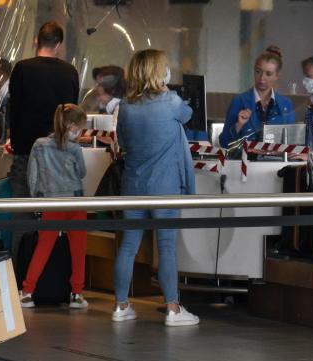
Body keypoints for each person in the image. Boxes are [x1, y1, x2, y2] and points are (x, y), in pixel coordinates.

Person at [112, 49, 200, 327]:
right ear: (157, 73)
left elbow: (123, 144)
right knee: (166, 246)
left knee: (128, 246)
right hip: (165, 186)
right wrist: (165, 91)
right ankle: (173, 308)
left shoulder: (124, 108)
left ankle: (120, 305)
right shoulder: (172, 102)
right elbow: (189, 114)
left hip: (133, 185)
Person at [19, 104, 89, 310]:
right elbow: (83, 173)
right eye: (80, 128)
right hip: (76, 202)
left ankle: (27, 292)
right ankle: (77, 294)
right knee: (78, 249)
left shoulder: (39, 145)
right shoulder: (75, 149)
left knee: (43, 247)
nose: (80, 133)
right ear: (72, 126)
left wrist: (36, 202)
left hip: (52, 202)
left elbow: (32, 176)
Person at [7, 22, 80, 208]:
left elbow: (13, 108)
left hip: (25, 147)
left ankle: (24, 237)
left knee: (23, 205)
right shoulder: (70, 71)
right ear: (58, 45)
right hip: (59, 149)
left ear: (36, 41)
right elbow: (73, 112)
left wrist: (14, 141)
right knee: (54, 208)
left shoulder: (22, 68)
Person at [218, 46, 295, 148]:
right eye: (258, 71)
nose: (262, 78)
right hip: (244, 161)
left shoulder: (286, 104)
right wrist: (239, 125)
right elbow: (224, 143)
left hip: (276, 162)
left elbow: (292, 143)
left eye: (268, 74)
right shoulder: (239, 101)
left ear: (276, 76)